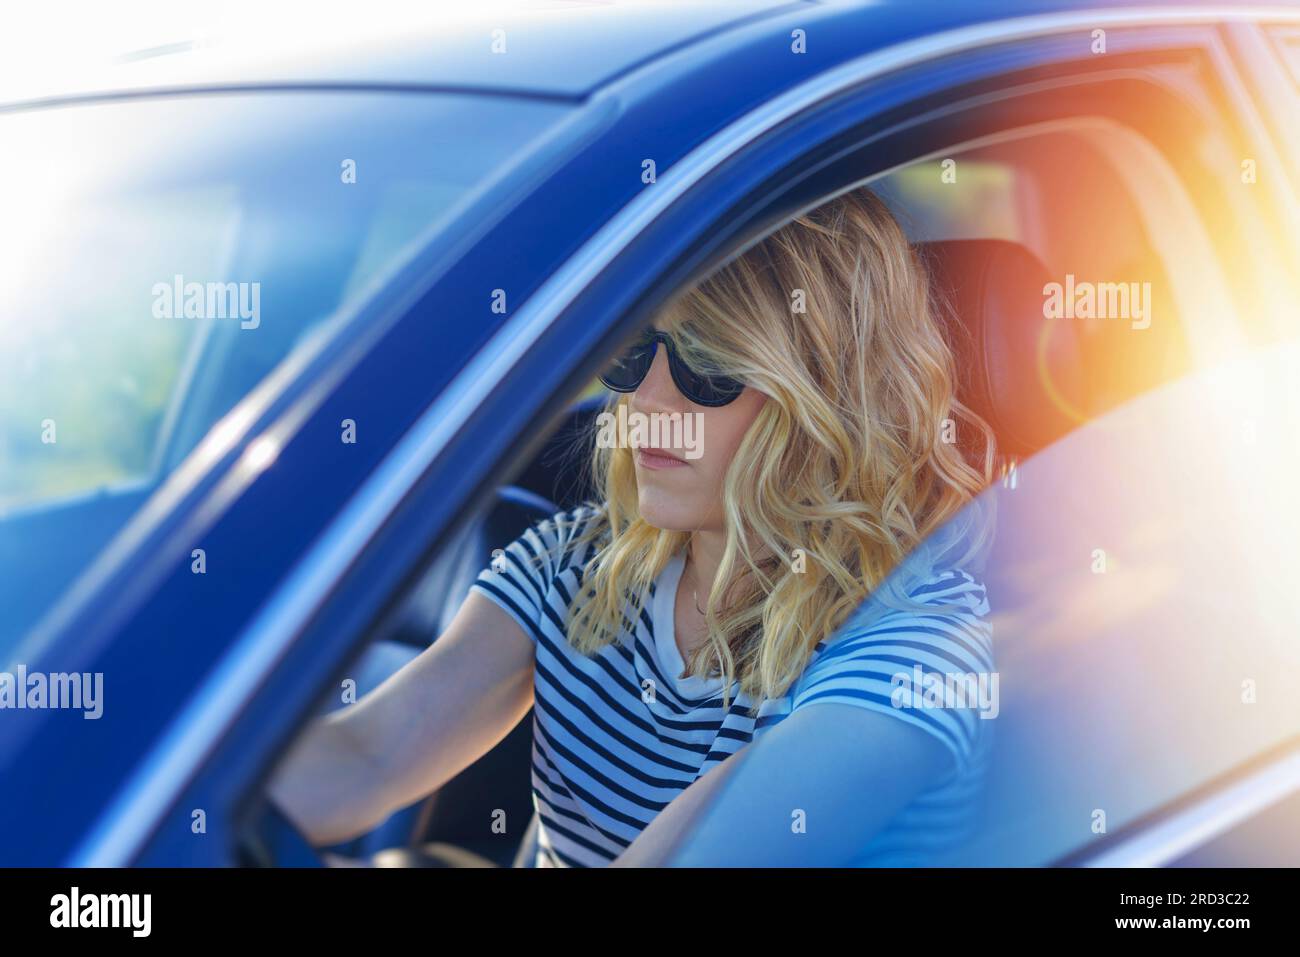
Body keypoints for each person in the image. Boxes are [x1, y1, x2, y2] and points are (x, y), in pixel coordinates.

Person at [267, 186, 998, 867]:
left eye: (707, 363)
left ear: (827, 392)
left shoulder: (915, 650)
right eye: (634, 348)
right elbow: (368, 755)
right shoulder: (578, 563)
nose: (646, 398)